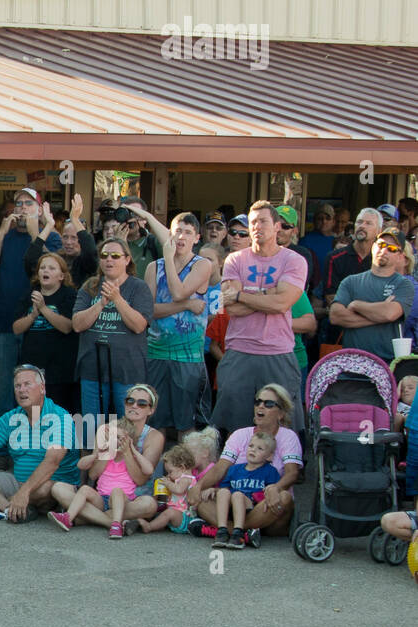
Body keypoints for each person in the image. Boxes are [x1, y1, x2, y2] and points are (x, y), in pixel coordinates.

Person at [212, 201, 308, 434]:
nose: (256, 227)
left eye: (263, 221)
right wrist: (270, 294)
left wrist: (241, 295)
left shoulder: (294, 261)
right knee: (234, 427)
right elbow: (230, 309)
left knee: (282, 426)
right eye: (252, 222)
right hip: (238, 352)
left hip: (278, 352)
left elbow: (282, 303)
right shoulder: (235, 260)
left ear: (277, 226)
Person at [0, 188, 64, 425]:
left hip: (39, 325)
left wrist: (39, 233)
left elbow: (55, 269)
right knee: (2, 390)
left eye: (28, 203)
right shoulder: (4, 236)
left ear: (39, 209)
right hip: (4, 323)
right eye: (18, 204)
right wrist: (2, 232)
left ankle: (33, 446)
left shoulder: (52, 237)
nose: (22, 208)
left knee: (35, 391)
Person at [0, 365, 80, 522]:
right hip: (18, 482)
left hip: (51, 483)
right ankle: (11, 509)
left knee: (46, 488)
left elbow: (52, 462)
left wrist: (24, 492)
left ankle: (8, 504)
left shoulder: (60, 416)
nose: (22, 390)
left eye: (27, 384)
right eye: (17, 386)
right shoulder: (10, 418)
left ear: (42, 388)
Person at [131, 205, 210, 437]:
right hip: (156, 353)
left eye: (187, 232)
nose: (181, 236)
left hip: (188, 356)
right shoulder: (154, 268)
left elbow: (178, 292)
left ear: (196, 237)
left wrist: (167, 257)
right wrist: (186, 306)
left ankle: (188, 473)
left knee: (187, 424)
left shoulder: (202, 264)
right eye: (177, 231)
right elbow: (150, 311)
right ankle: (156, 471)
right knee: (155, 421)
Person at [188, 385, 301, 538]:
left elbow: (292, 474)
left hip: (266, 507)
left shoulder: (288, 437)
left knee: (285, 498)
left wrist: (276, 487)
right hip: (236, 504)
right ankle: (241, 532)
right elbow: (220, 467)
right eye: (258, 402)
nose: (260, 406)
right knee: (202, 497)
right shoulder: (240, 434)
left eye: (268, 404)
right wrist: (198, 486)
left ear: (281, 413)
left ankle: (232, 530)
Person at [71, 236, 152, 422]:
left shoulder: (139, 288)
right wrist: (101, 303)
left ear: (127, 259)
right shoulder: (89, 286)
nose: (109, 259)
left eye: (115, 255)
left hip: (127, 371)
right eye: (104, 255)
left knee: (126, 428)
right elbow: (77, 324)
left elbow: (139, 325)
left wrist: (117, 299)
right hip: (92, 369)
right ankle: (91, 453)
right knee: (91, 429)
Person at [329, 228, 414, 361]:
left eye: (391, 248)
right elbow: (335, 316)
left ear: (399, 255)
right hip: (352, 363)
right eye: (381, 245)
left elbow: (389, 313)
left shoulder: (403, 284)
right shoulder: (350, 281)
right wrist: (379, 316)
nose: (384, 251)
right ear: (373, 246)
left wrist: (356, 305)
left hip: (387, 364)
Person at [48, 415, 138, 538]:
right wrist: (98, 455)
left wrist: (128, 451)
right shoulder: (105, 453)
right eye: (112, 437)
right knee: (84, 489)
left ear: (128, 440)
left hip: (122, 499)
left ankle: (116, 524)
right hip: (102, 498)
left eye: (118, 438)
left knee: (117, 491)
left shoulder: (132, 455)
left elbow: (147, 471)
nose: (114, 441)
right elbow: (81, 465)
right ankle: (68, 517)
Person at [13, 252, 79, 413]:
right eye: (42, 268)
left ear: (61, 275)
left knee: (59, 413)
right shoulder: (30, 294)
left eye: (51, 268)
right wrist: (33, 315)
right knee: (34, 413)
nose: (45, 271)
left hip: (60, 370)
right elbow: (16, 328)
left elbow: (67, 327)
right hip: (33, 367)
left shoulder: (69, 295)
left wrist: (43, 308)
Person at [132, 444, 198, 535]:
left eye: (170, 472)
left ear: (182, 468)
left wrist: (168, 483)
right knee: (165, 512)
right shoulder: (178, 479)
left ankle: (149, 527)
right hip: (176, 514)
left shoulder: (186, 479)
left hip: (185, 517)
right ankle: (144, 523)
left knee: (169, 513)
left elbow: (179, 490)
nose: (169, 475)